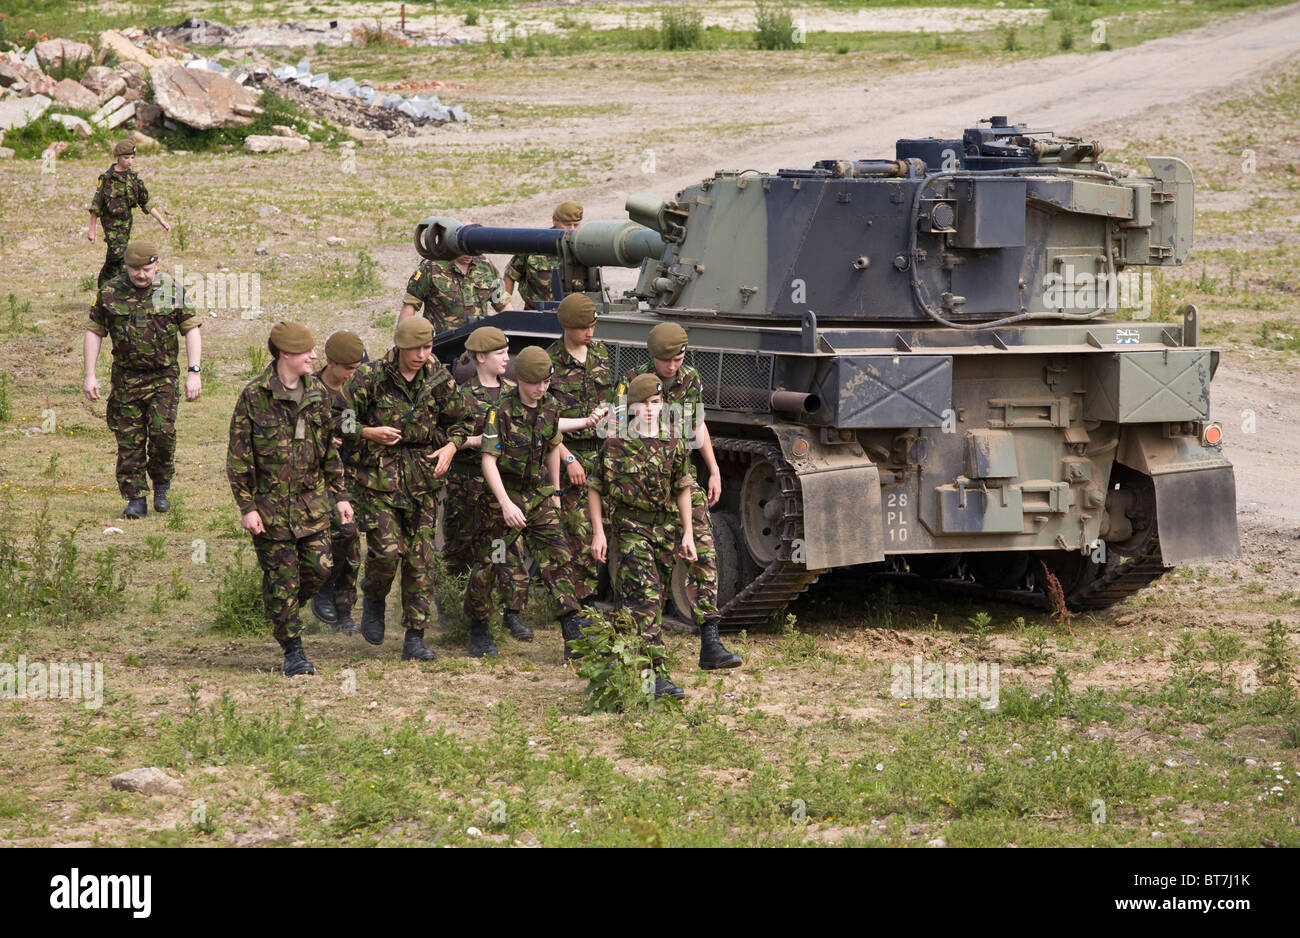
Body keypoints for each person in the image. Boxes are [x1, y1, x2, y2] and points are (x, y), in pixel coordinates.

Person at [343, 316, 474, 661]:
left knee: (421, 559)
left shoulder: (438, 377)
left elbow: (463, 419)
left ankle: (415, 636)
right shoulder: (369, 377)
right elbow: (337, 418)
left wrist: (451, 447)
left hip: (423, 479)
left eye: (427, 347)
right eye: (414, 348)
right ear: (398, 345)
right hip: (379, 479)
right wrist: (369, 432)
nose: (421, 354)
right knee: (386, 553)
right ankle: (373, 597)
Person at [227, 321, 352, 677]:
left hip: (311, 506)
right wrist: (247, 507)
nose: (314, 356)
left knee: (320, 568)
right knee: (284, 582)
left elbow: (329, 450)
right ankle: (293, 650)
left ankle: (281, 608)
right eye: (306, 351)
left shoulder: (319, 395)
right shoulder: (254, 397)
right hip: (270, 511)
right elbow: (238, 457)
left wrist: (340, 496)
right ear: (285, 354)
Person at [619, 322, 742, 671]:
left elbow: (697, 423)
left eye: (678, 358)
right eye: (665, 360)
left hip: (681, 482)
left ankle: (710, 640)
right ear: (652, 357)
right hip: (642, 487)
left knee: (704, 553)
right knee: (641, 570)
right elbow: (615, 432)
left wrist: (713, 467)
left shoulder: (690, 378)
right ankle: (634, 643)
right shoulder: (634, 380)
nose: (672, 367)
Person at [467, 345, 602, 659]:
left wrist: (555, 492)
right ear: (520, 381)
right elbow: (488, 460)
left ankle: (572, 635)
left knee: (559, 557)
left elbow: (553, 445)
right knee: (491, 563)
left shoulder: (550, 406)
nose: (541, 388)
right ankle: (478, 630)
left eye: (546, 382)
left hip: (537, 494)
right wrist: (504, 504)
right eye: (535, 383)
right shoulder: (499, 411)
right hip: (503, 497)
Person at [588, 373, 694, 700]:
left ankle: (617, 661)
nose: (651, 409)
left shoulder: (673, 440)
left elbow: (682, 488)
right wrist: (598, 532)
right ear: (631, 407)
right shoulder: (615, 442)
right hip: (630, 529)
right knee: (645, 598)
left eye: (657, 402)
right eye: (645, 403)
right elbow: (595, 487)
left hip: (664, 531)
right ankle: (654, 679)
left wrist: (688, 532)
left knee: (644, 603)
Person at [83, 240, 201, 519]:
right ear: (126, 266)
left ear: (156, 265)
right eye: (135, 269)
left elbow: (191, 329)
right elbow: (94, 332)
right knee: (129, 440)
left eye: (147, 269)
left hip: (163, 378)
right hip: (126, 379)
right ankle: (136, 497)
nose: (141, 275)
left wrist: (194, 372)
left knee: (162, 433)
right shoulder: (110, 292)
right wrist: (90, 375)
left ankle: (161, 484)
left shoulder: (171, 290)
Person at [442, 326, 533, 643]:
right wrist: (475, 441)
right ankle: (452, 607)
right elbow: (448, 438)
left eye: (508, 352)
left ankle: (511, 612)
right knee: (460, 549)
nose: (507, 358)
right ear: (481, 357)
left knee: (504, 549)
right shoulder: (462, 396)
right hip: (466, 487)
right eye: (501, 353)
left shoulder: (513, 392)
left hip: (502, 487)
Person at [546, 293, 612, 609]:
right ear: (566, 327)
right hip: (568, 455)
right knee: (579, 534)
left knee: (609, 528)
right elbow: (544, 422)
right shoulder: (550, 363)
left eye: (593, 325)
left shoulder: (600, 354)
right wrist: (568, 458)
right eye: (584, 327)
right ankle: (581, 606)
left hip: (601, 453)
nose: (590, 332)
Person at [310, 330, 367, 635]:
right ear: (329, 362)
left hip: (352, 475)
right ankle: (321, 588)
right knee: (324, 539)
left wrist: (359, 433)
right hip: (316, 477)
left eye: (355, 369)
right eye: (346, 369)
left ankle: (344, 609)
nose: (350, 375)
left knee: (350, 540)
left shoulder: (356, 388)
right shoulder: (310, 390)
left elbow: (353, 422)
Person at [87, 139, 172, 288]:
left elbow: (145, 202)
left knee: (117, 256)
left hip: (126, 223)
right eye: (126, 158)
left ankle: (111, 286)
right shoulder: (106, 179)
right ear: (117, 157)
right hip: (111, 223)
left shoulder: (133, 179)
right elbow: (96, 206)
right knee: (118, 253)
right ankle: (111, 285)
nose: (130, 161)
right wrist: (92, 230)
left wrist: (161, 220)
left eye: (132, 158)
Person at [398, 250, 507, 334]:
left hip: (479, 342)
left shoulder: (485, 265)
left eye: (472, 249)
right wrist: (401, 342)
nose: (468, 254)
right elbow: (410, 305)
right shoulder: (431, 267)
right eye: (463, 249)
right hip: (441, 344)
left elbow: (503, 304)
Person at [503, 200, 582, 308]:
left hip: (572, 314)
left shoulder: (583, 247)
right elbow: (510, 275)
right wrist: (506, 307)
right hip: (535, 314)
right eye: (567, 225)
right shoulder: (535, 244)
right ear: (554, 220)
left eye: (576, 225)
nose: (572, 230)